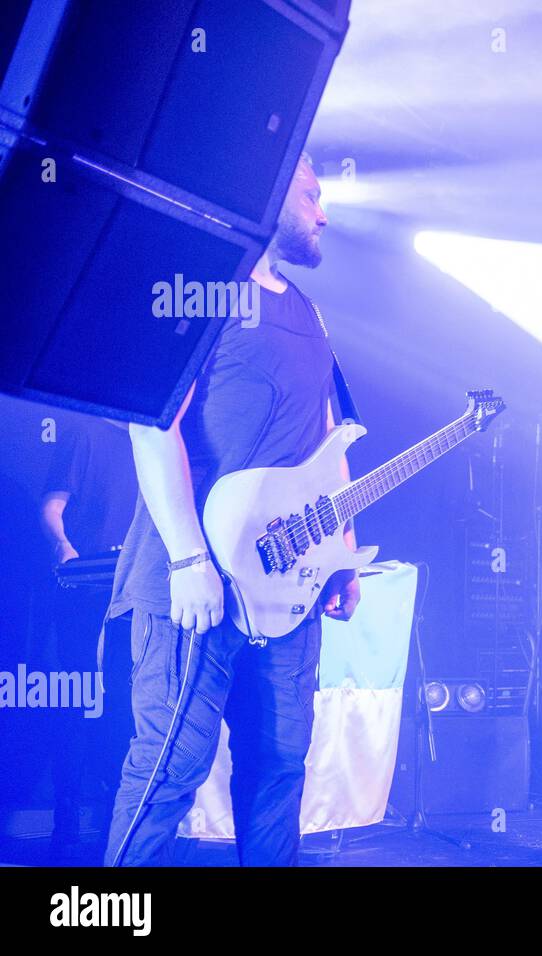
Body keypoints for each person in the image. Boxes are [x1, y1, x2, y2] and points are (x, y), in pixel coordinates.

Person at [103, 154, 361, 867]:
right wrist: (188, 557)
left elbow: (329, 444)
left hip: (287, 587)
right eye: (312, 196)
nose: (324, 214)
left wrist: (341, 548)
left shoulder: (308, 313)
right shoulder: (199, 288)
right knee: (170, 768)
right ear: (273, 191)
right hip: (193, 578)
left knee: (279, 766)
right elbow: (151, 425)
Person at [38, 414, 137, 857]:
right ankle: (67, 811)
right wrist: (64, 548)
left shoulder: (155, 441)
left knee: (127, 703)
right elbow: (51, 507)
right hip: (84, 589)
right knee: (79, 700)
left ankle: (120, 815)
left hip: (135, 592)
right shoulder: (85, 432)